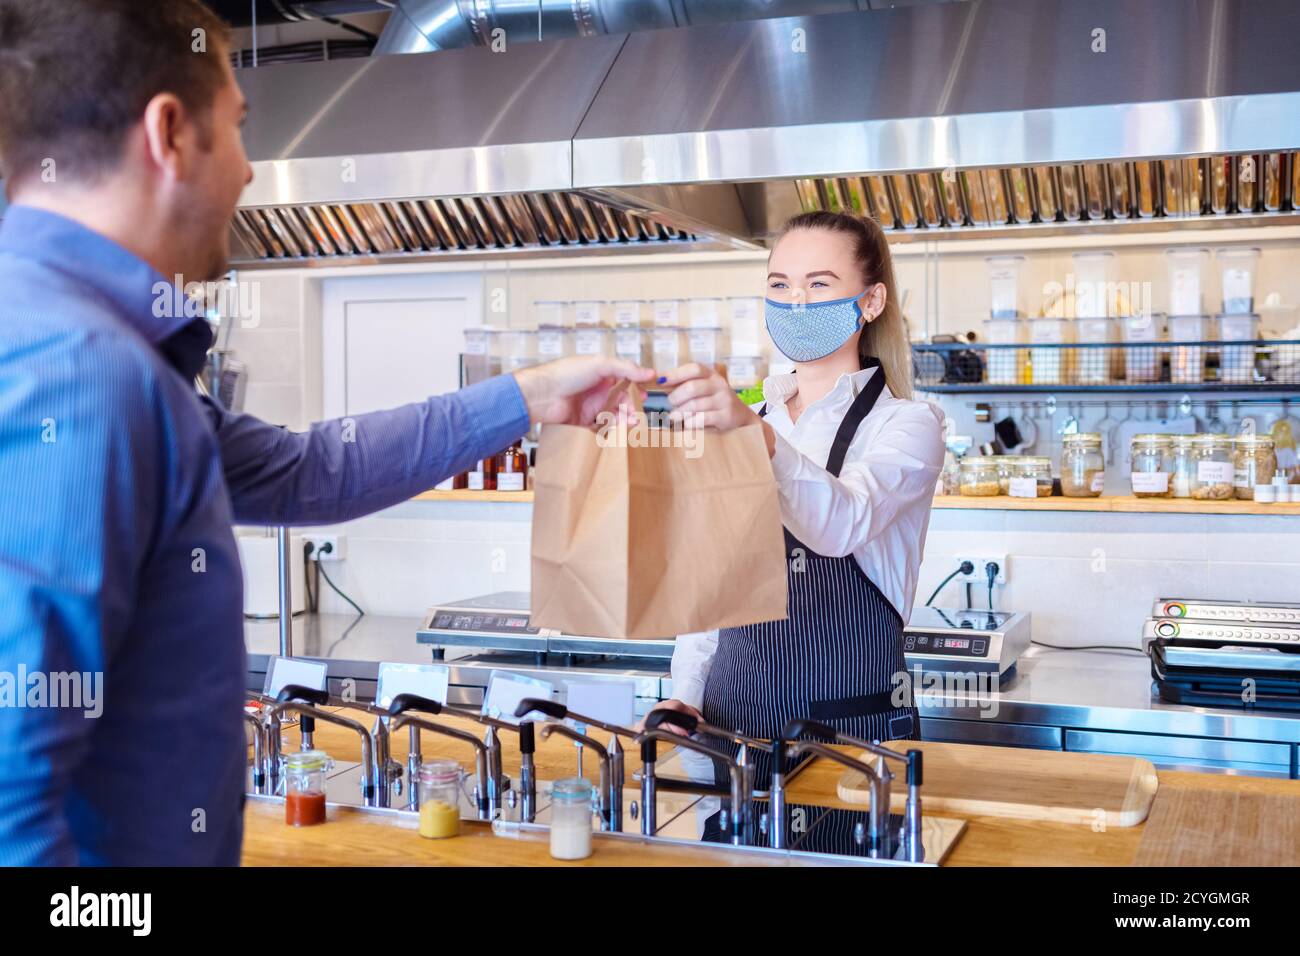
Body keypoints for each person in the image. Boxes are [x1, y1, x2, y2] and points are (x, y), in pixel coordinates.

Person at [0, 0, 652, 865]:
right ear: (168, 134)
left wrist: (526, 396)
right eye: (237, 128)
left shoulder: (93, 347)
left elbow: (308, 473)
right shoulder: (81, 372)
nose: (250, 174)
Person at [647, 211, 944, 771]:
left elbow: (841, 524)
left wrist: (752, 436)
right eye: (780, 285)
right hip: (730, 729)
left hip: (851, 738)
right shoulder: (749, 418)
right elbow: (710, 588)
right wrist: (685, 692)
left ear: (871, 302)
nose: (797, 303)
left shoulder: (908, 424)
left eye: (820, 284)